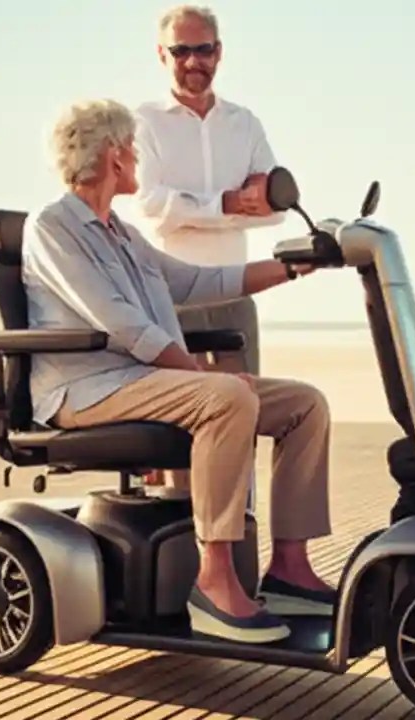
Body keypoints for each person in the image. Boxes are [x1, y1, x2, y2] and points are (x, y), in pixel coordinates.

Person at [21, 98, 335, 644]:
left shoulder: (119, 231)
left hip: (142, 382)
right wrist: (198, 374)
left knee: (304, 405)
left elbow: (194, 282)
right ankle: (214, 583)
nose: (138, 156)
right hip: (86, 390)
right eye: (132, 148)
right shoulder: (53, 228)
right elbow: (122, 324)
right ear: (114, 156)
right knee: (226, 398)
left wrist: (293, 267)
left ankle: (289, 570)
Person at [127, 4, 282, 494]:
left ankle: (240, 537)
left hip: (235, 292)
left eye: (204, 49)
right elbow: (149, 205)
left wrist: (197, 207)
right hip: (170, 297)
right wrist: (231, 202)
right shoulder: (143, 123)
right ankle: (183, 545)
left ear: (220, 52)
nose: (194, 61)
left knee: (246, 413)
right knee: (181, 426)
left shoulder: (245, 123)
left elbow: (275, 207)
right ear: (161, 55)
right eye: (181, 50)